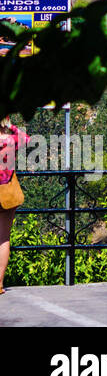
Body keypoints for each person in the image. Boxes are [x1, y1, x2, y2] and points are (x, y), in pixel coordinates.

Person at [0, 117, 31, 297]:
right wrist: (9, 126)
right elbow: (27, 139)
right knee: (3, 239)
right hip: (7, 192)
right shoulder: (11, 140)